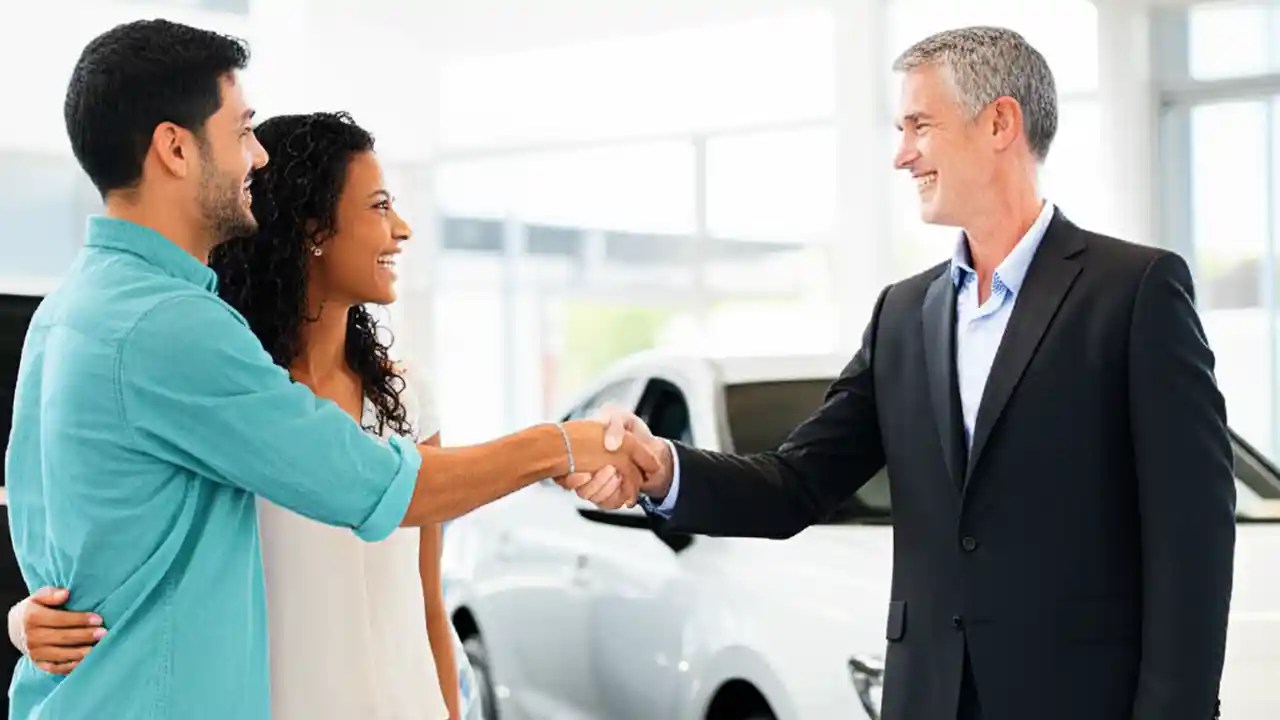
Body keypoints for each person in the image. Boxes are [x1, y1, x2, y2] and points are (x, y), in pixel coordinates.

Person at [565, 26, 1235, 720]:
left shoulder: (1134, 291)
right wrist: (661, 468)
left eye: (920, 125)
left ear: (1000, 122)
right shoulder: (904, 314)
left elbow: (1193, 536)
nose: (901, 154)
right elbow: (797, 483)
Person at [4, 20, 651, 719]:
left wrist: (28, 617)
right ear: (175, 148)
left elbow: (57, 544)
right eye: (242, 129)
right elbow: (374, 486)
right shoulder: (172, 329)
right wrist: (561, 444)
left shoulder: (68, 310)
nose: (256, 157)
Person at [8, 112, 490, 718]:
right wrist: (26, 620)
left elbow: (427, 602)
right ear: (313, 228)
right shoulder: (224, 402)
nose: (402, 229)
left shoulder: (409, 396)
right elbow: (128, 557)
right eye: (378, 206)